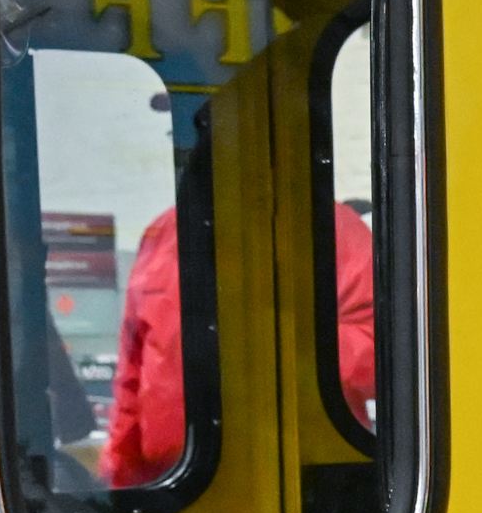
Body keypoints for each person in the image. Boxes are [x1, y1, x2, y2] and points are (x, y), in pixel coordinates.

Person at [97, 199, 376, 487]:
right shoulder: (165, 231)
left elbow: (378, 352)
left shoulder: (333, 228)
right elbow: (133, 367)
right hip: (175, 489)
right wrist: (120, 481)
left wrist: (272, 352)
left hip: (295, 484)